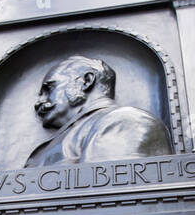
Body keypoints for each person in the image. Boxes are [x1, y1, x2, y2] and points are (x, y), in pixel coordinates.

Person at [24, 55, 173, 166]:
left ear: (86, 81)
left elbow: (110, 194)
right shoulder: (73, 133)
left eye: (49, 89)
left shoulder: (126, 121)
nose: (39, 102)